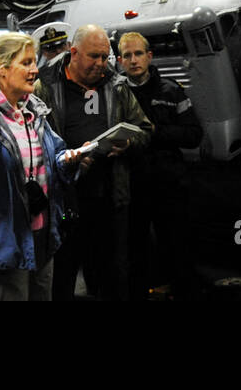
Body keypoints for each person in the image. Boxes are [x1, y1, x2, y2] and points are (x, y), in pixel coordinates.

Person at [0, 35, 87, 301]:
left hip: (42, 238)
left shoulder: (33, 110)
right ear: (3, 69)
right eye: (27, 62)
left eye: (34, 62)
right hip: (1, 245)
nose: (35, 69)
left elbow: (52, 154)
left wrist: (68, 159)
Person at [35, 24, 153, 301]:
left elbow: (146, 130)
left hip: (109, 200)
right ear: (74, 53)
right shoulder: (45, 88)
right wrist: (67, 161)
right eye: (94, 57)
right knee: (60, 276)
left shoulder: (117, 87)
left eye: (105, 57)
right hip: (64, 203)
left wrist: (128, 144)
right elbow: (32, 144)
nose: (101, 64)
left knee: (110, 276)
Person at [117, 32, 204, 299]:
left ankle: (184, 292)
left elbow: (193, 135)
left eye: (138, 54)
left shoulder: (171, 91)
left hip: (169, 183)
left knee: (177, 246)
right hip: (132, 184)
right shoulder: (115, 95)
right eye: (128, 56)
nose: (134, 60)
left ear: (149, 56)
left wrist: (156, 131)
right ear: (120, 61)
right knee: (135, 250)